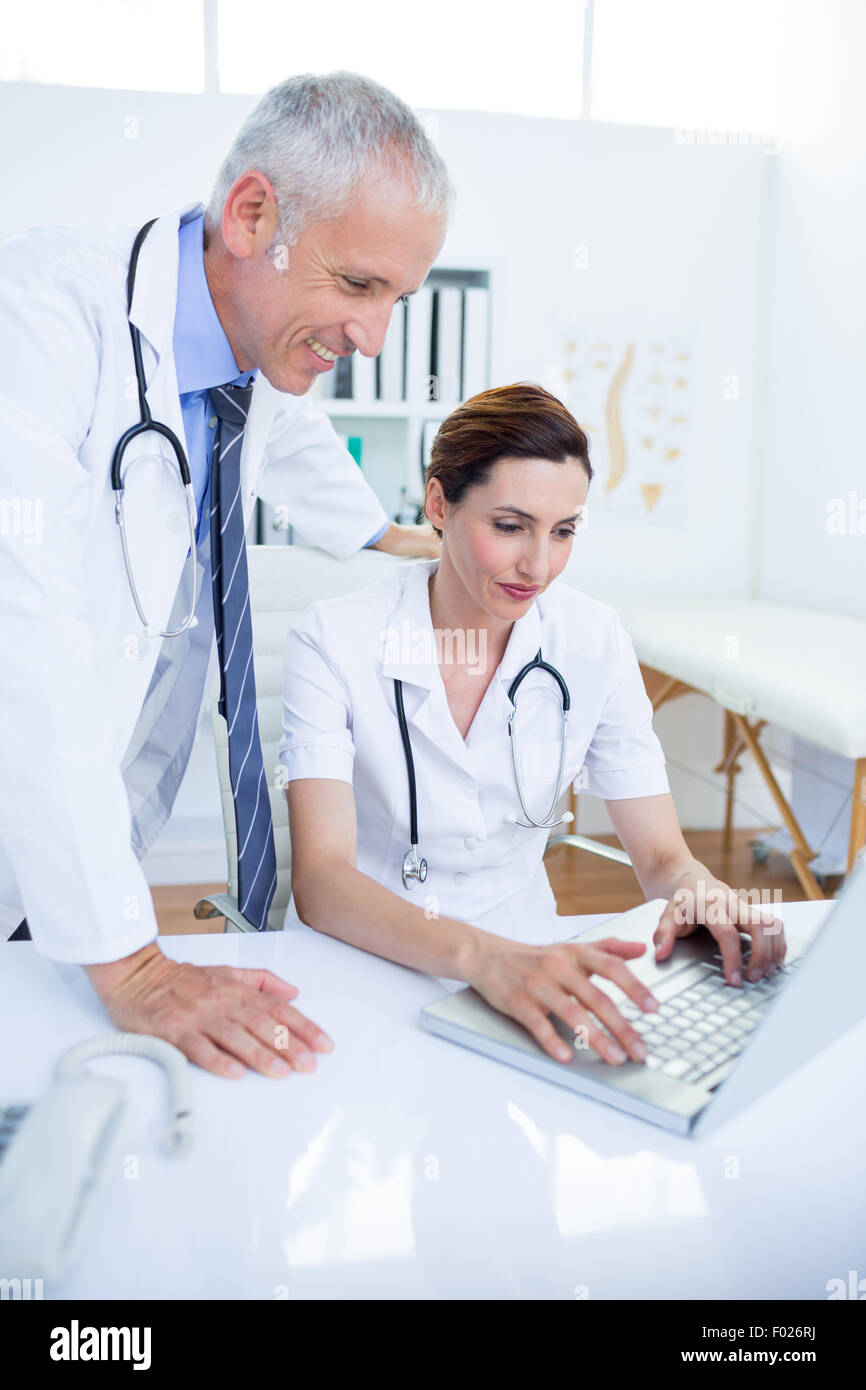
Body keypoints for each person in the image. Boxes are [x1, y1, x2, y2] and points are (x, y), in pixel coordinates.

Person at [0, 72, 451, 1080]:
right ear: (251, 215)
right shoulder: (39, 318)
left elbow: (294, 445)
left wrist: (397, 537)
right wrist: (131, 960)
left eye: (396, 299)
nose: (371, 339)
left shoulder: (253, 346)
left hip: (80, 829)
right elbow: (23, 645)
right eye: (358, 286)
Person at [279, 382, 785, 1067]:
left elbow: (663, 858)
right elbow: (322, 880)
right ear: (438, 505)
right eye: (510, 526)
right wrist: (484, 959)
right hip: (361, 958)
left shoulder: (592, 639)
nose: (538, 567)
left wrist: (703, 891)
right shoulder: (334, 638)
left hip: (530, 961)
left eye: (564, 531)